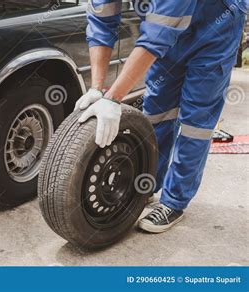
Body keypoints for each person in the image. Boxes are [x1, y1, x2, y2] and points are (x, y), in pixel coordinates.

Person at [76, 0, 247, 233]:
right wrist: (97, 89)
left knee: (195, 122)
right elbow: (101, 22)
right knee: (156, 112)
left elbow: (156, 38)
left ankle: (173, 202)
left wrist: (113, 98)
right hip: (170, 25)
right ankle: (145, 186)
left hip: (217, 23)